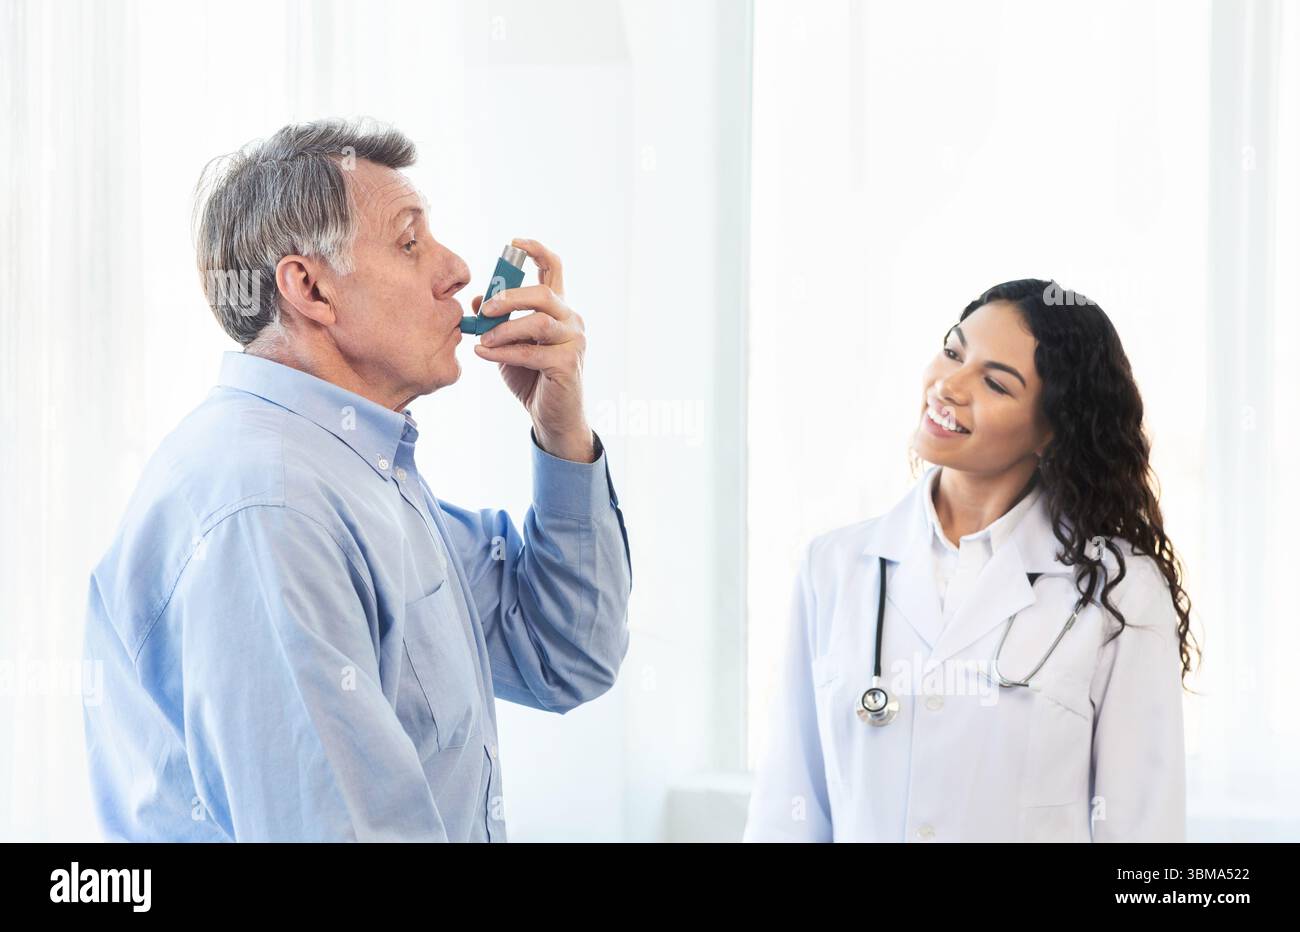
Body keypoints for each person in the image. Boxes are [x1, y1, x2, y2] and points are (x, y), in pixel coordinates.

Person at [81, 119, 632, 842]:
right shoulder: (272, 511)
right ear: (309, 288)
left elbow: (564, 655)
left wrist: (562, 435)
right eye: (410, 241)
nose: (459, 269)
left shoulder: (359, 472)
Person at [743, 280, 1198, 842]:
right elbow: (789, 808)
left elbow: (1142, 831)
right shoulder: (834, 567)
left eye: (995, 383)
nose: (949, 386)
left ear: (1052, 430)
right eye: (954, 352)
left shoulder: (1118, 593)